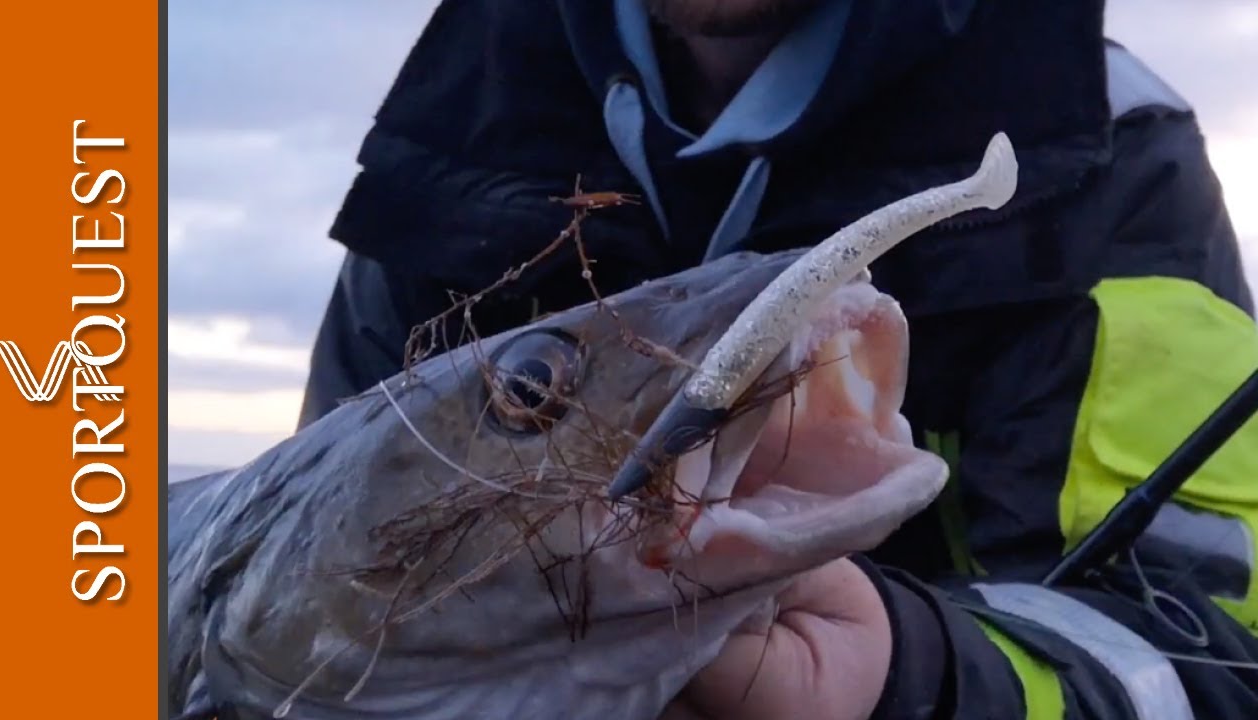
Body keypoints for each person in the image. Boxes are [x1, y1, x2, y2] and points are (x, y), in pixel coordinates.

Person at [299, 0, 1258, 716]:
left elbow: (1210, 657)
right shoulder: (441, 143)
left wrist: (911, 671)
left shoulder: (1109, 146)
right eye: (530, 393)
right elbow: (315, 586)